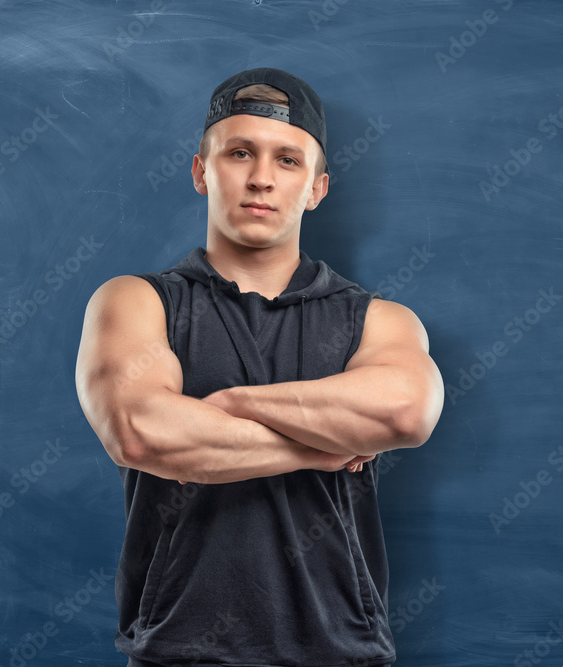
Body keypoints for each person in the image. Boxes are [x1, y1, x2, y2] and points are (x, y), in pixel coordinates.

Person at [75, 67, 444, 667]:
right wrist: (322, 446)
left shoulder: (378, 320)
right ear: (201, 172)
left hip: (341, 648)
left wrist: (233, 403)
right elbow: (140, 431)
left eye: (288, 161)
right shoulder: (136, 302)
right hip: (179, 648)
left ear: (317, 189)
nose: (262, 179)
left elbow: (406, 411)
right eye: (239, 152)